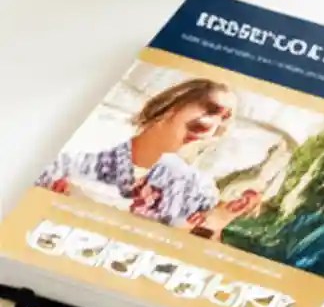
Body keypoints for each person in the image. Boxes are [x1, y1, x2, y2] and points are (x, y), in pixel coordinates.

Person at [36, 78, 237, 226]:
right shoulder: (86, 142)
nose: (212, 126)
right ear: (173, 106)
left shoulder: (194, 187)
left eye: (223, 119)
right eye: (211, 110)